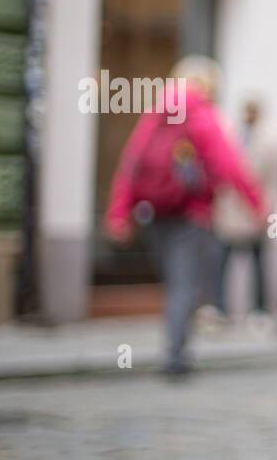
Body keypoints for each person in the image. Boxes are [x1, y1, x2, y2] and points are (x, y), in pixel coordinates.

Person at [105, 56, 266, 377]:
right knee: (185, 286)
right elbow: (230, 164)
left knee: (175, 284)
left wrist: (118, 214)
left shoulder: (158, 112)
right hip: (191, 214)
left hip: (155, 213)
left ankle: (175, 349)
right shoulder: (202, 115)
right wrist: (258, 204)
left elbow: (131, 164)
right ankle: (176, 356)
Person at [213, 99, 277, 324]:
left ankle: (260, 310)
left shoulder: (269, 143)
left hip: (254, 214)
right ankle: (219, 308)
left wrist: (269, 214)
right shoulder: (231, 139)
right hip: (231, 213)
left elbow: (274, 182)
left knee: (258, 264)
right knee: (222, 262)